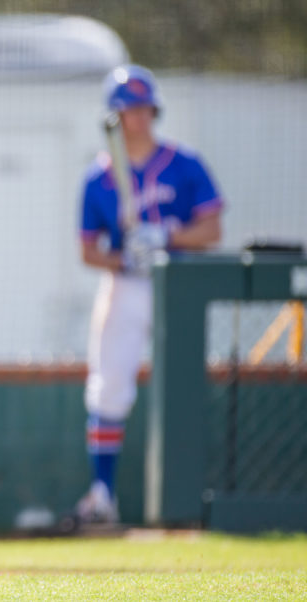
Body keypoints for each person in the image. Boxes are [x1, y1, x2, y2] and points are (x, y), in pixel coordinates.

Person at [75, 64, 223, 524]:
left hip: (178, 285)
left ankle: (191, 497)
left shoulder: (185, 163)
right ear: (114, 119)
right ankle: (102, 494)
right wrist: (124, 257)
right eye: (128, 111)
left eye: (144, 110)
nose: (138, 120)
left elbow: (213, 229)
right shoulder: (97, 179)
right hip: (124, 286)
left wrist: (167, 236)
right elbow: (87, 252)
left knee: (182, 385)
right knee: (109, 387)